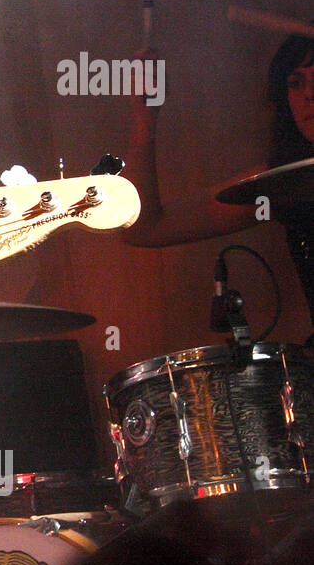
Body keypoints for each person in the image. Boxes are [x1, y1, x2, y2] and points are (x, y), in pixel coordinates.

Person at [124, 38, 314, 340]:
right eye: (295, 82)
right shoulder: (285, 182)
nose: (309, 94)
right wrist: (145, 119)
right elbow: (144, 227)